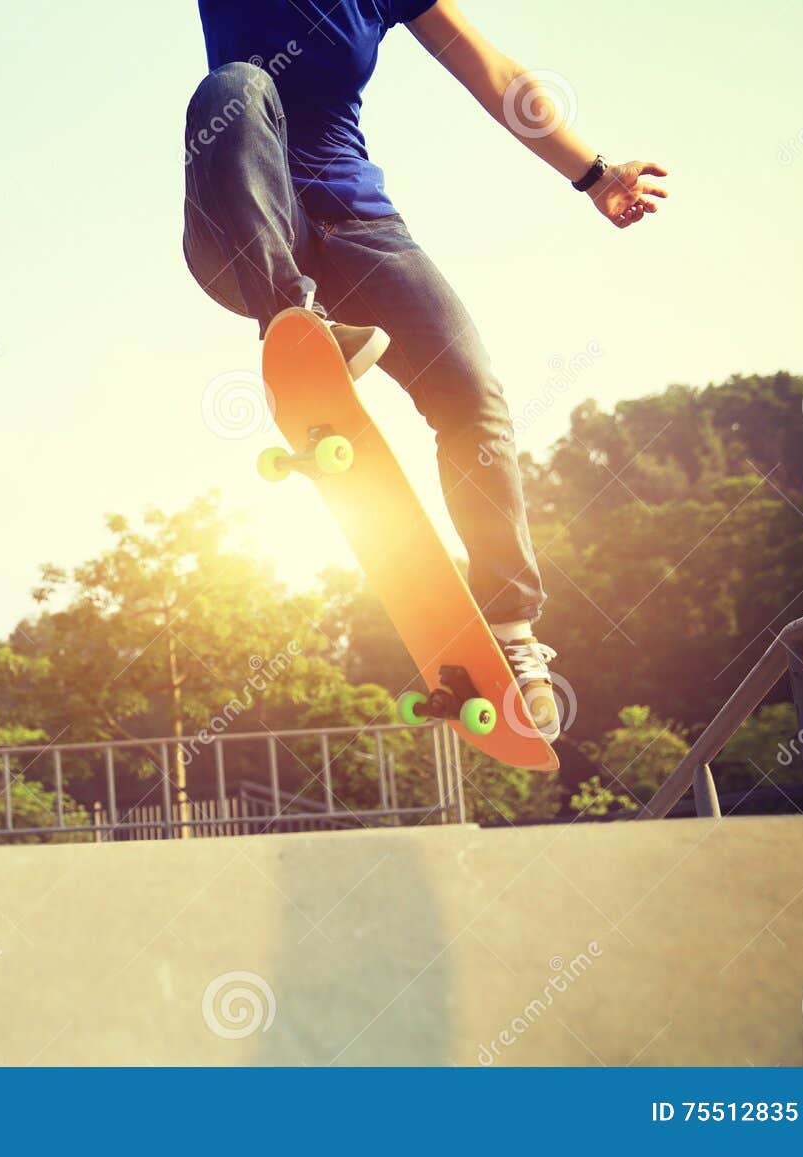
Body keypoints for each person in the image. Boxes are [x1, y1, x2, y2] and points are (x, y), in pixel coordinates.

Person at [182, 0, 668, 741]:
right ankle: (296, 325)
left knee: (474, 394)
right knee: (234, 90)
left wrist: (594, 173)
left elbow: (496, 72)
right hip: (240, 230)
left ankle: (510, 629)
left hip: (357, 225)